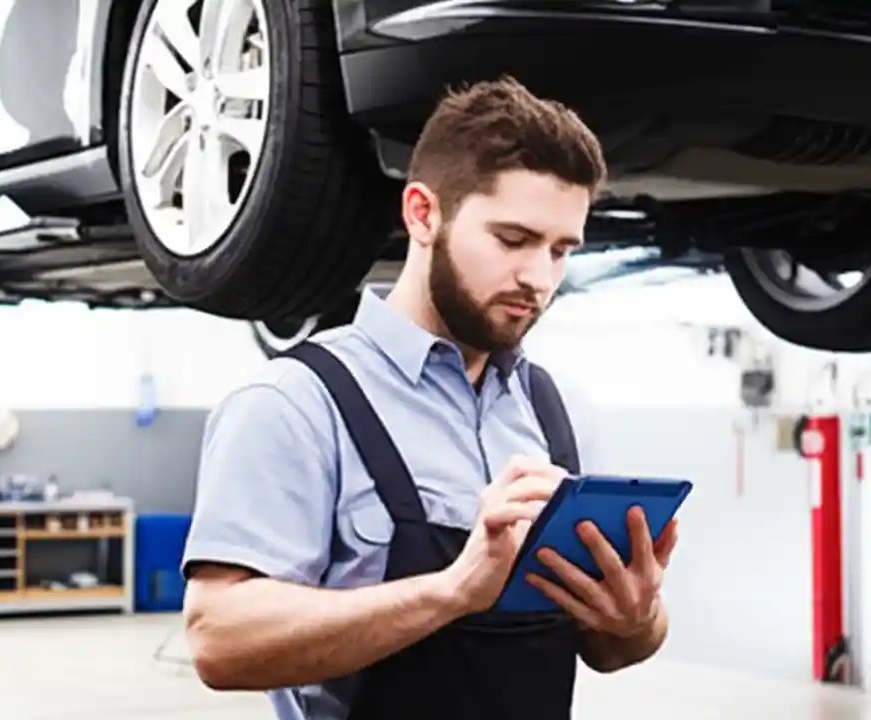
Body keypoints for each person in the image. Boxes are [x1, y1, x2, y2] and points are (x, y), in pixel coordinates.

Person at [179, 75, 681, 720]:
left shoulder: (558, 411)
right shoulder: (294, 403)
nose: (540, 278)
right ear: (423, 213)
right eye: (513, 240)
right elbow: (221, 641)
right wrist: (452, 591)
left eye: (561, 250)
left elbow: (618, 650)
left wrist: (633, 615)